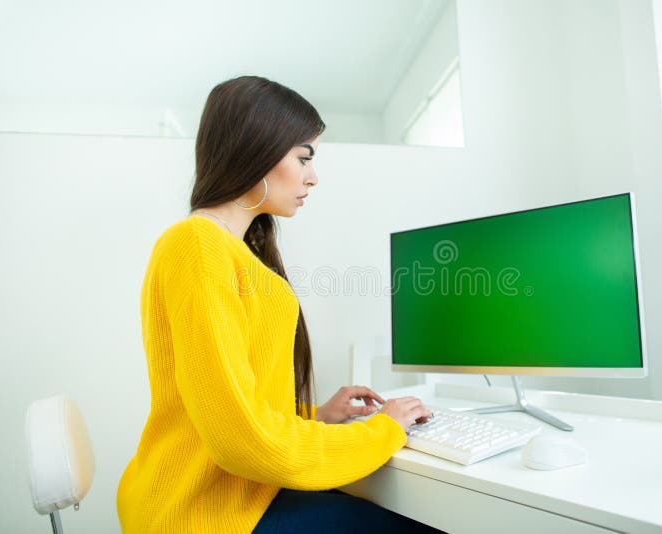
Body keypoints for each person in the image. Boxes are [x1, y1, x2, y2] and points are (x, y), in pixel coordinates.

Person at [116, 75, 438, 533]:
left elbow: (233, 408)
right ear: (257, 148)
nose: (313, 176)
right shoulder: (196, 245)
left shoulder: (231, 250)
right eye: (304, 157)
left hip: (239, 497)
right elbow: (238, 440)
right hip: (202, 514)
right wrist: (383, 429)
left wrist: (315, 417)